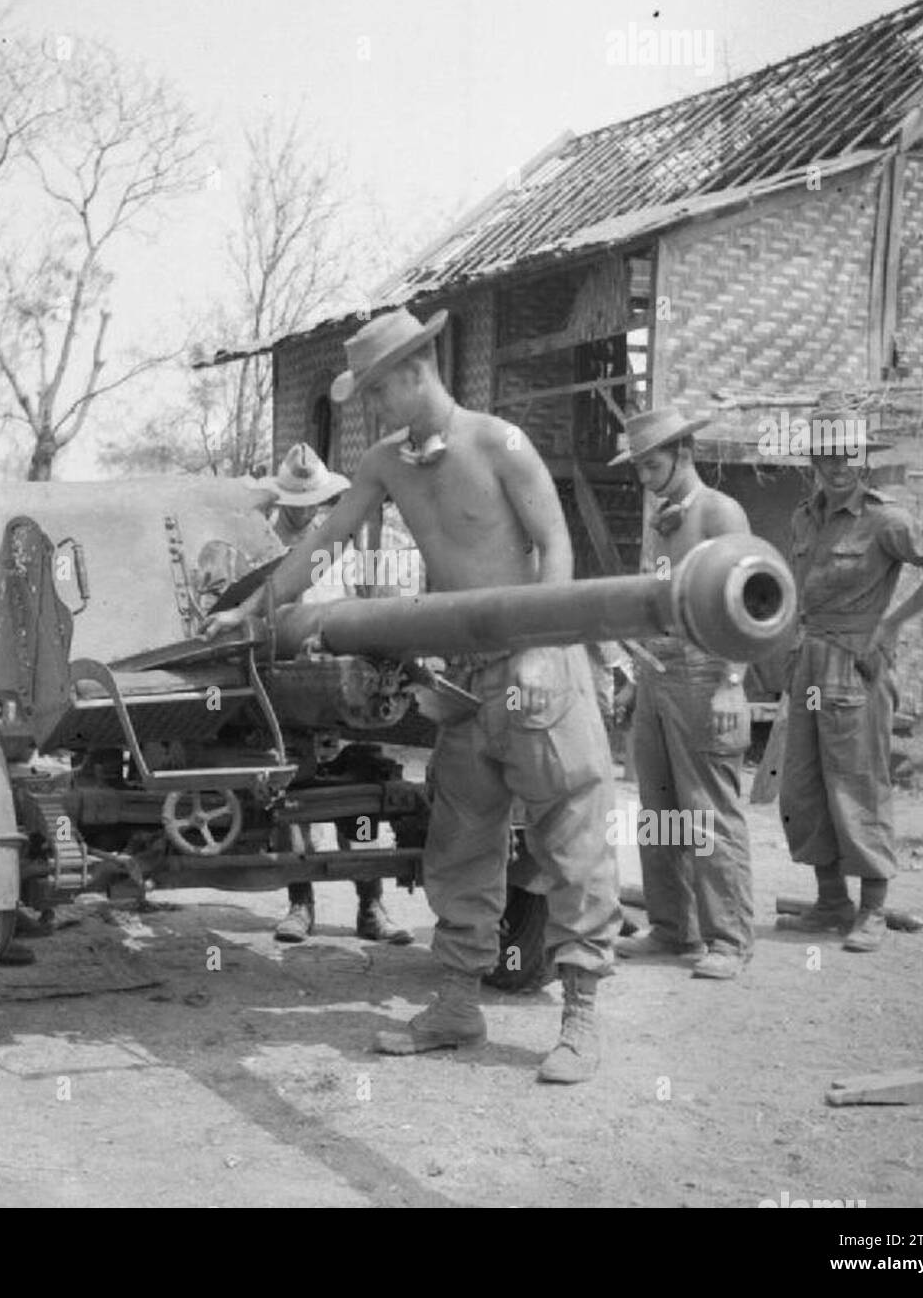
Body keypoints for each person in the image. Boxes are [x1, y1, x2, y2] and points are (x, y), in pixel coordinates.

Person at [208, 307, 621, 1085]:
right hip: (463, 682)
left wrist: (538, 647)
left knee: (571, 838)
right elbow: (322, 541)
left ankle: (580, 1021)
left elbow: (555, 542)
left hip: (538, 671)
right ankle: (458, 1006)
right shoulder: (387, 464)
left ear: (412, 372)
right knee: (460, 847)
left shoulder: (499, 442)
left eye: (375, 392)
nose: (372, 409)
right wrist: (255, 608)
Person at [776, 394, 923, 952]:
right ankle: (831, 902)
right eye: (825, 456)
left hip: (856, 668)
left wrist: (891, 627)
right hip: (809, 661)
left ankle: (873, 910)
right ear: (813, 459)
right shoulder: (801, 519)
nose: (836, 466)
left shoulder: (886, 518)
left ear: (862, 460)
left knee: (859, 784)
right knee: (805, 785)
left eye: (846, 456)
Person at [610, 409, 755, 979]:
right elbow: (653, 602)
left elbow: (752, 600)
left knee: (708, 812)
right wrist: (631, 677)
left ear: (684, 453)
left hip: (706, 670)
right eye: (640, 468)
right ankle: (673, 929)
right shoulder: (660, 519)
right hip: (656, 673)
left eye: (653, 465)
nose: (646, 478)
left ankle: (730, 940)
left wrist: (732, 685)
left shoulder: (720, 511)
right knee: (659, 811)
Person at [254, 443, 413, 947]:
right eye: (294, 503)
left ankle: (371, 906)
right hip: (283, 684)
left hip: (342, 681)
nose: (303, 512)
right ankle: (300, 905)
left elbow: (365, 603)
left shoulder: (338, 545)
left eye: (312, 503)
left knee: (359, 795)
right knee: (289, 799)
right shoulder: (259, 543)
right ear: (280, 500)